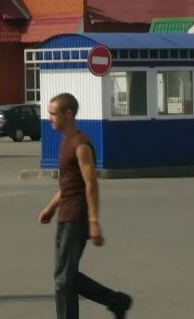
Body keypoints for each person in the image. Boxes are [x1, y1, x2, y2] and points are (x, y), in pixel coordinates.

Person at [38, 93, 132, 319]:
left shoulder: (81, 146)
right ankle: (117, 301)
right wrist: (50, 208)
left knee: (64, 280)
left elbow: (90, 184)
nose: (49, 117)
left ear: (68, 114)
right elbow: (69, 184)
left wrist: (93, 222)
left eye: (53, 113)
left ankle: (117, 301)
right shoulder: (66, 142)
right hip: (65, 214)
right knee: (65, 277)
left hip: (76, 217)